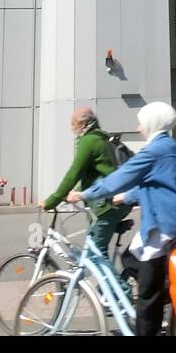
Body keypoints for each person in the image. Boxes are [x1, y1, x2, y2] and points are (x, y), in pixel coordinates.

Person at [68, 101, 176, 336]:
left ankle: (167, 302)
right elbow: (163, 183)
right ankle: (169, 292)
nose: (139, 128)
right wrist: (127, 197)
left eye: (141, 122)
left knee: (148, 295)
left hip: (165, 222)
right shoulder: (171, 146)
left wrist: (85, 193)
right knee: (131, 258)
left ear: (152, 124)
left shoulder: (154, 150)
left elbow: (121, 177)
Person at [43, 107, 130, 257]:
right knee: (94, 253)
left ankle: (117, 282)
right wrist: (75, 192)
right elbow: (92, 173)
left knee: (95, 256)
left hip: (106, 204)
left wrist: (51, 201)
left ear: (83, 124)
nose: (72, 128)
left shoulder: (89, 141)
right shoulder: (103, 138)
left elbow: (73, 173)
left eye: (73, 124)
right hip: (117, 202)